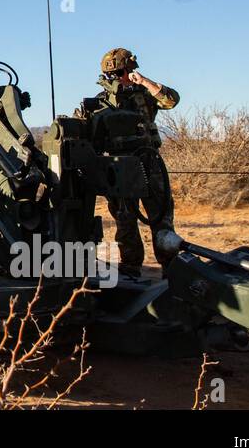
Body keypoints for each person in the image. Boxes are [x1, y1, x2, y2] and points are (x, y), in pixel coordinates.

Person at [74, 47, 179, 278]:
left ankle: (171, 268)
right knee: (125, 221)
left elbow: (171, 100)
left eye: (121, 72)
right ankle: (131, 267)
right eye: (111, 74)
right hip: (119, 168)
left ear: (130, 70)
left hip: (149, 163)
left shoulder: (144, 95)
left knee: (161, 218)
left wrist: (144, 81)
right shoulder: (100, 103)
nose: (116, 77)